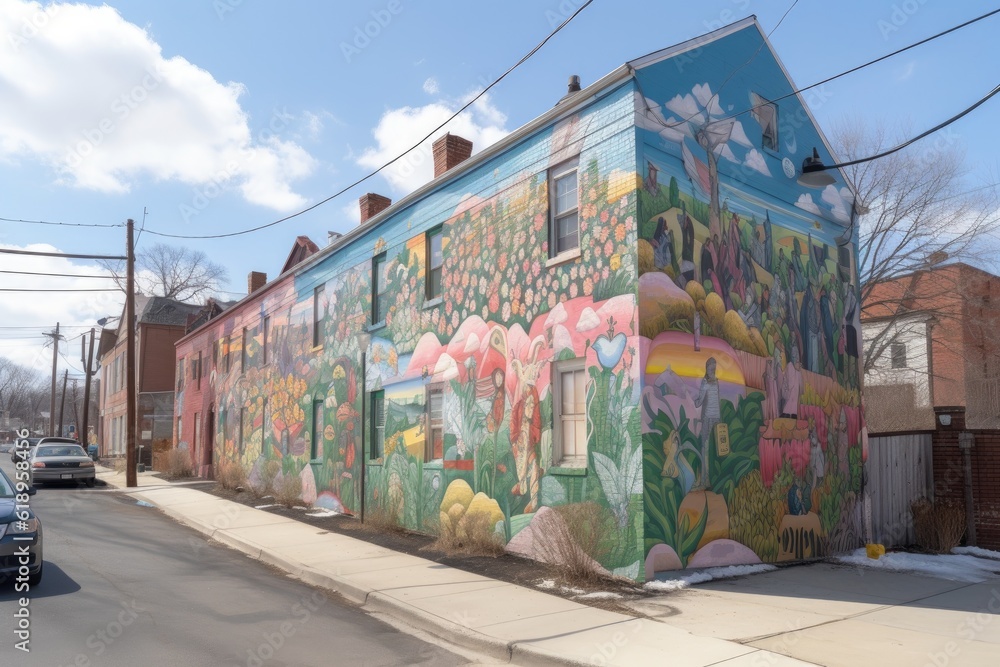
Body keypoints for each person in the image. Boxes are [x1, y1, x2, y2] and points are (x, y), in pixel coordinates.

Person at [694, 357, 721, 487]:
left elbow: (699, 402)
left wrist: (692, 401)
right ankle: (705, 479)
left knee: (710, 449)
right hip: (709, 418)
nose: (713, 370)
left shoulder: (713, 382)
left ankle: (709, 479)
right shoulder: (708, 382)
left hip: (714, 419)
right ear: (707, 368)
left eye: (714, 368)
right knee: (706, 448)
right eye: (711, 368)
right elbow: (700, 401)